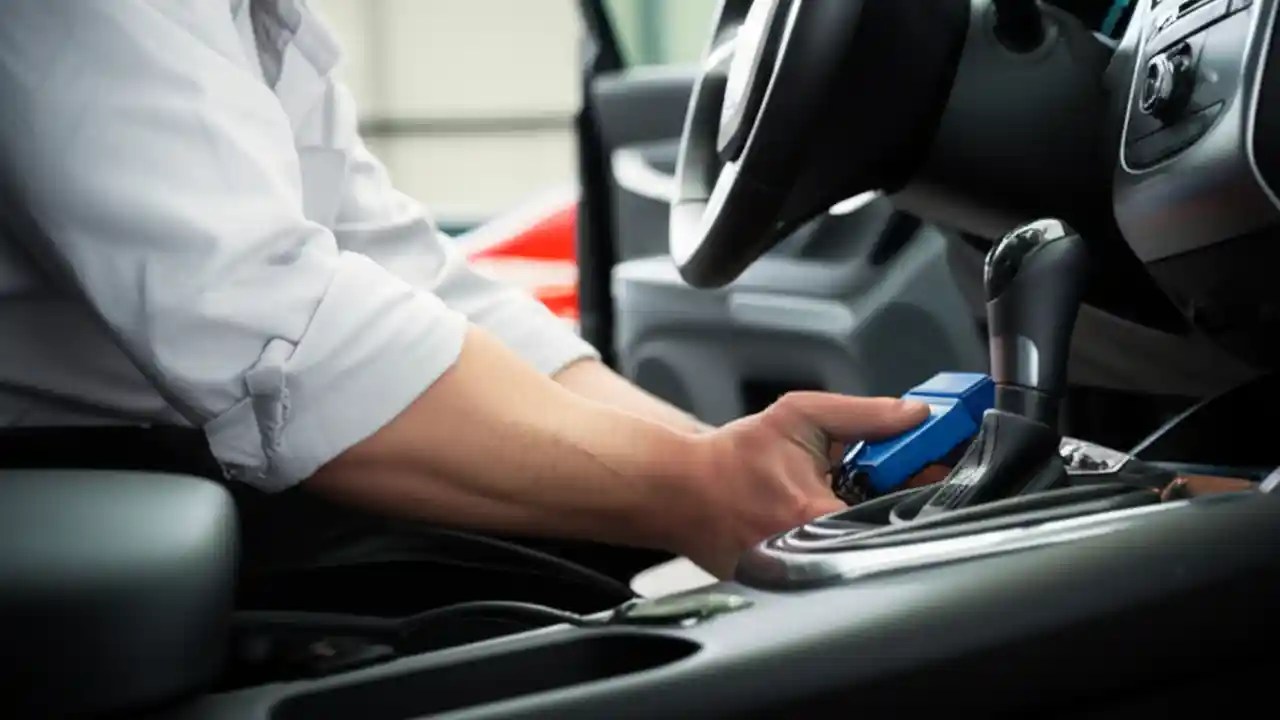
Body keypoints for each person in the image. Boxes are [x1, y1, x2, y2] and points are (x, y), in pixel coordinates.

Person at [0, 0, 928, 583]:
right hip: (87, 479)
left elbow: (398, 270)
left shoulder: (255, 22)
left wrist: (734, 466)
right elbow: (280, 338)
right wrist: (699, 491)